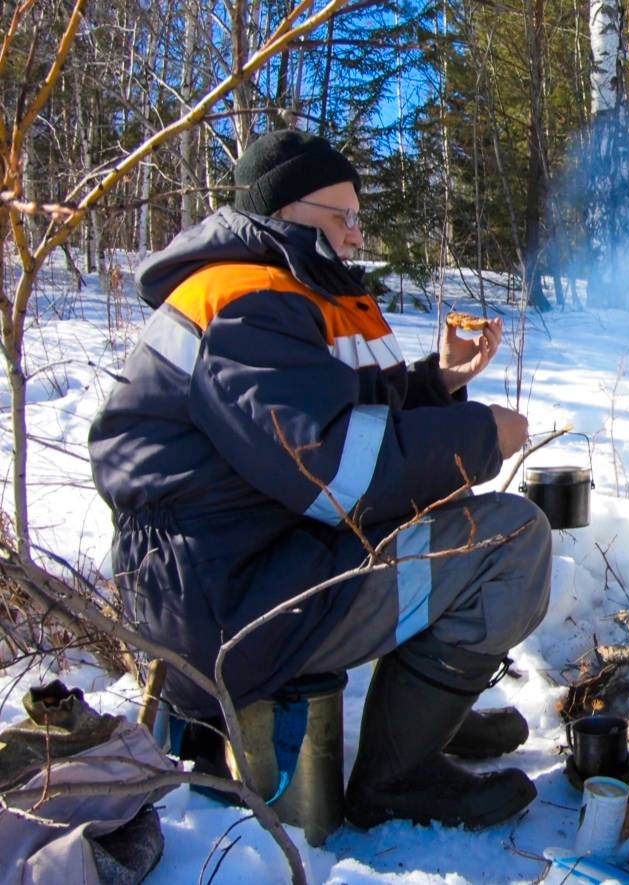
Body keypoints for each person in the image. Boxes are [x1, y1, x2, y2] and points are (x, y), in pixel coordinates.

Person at [89, 130, 552, 831]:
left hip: (244, 563)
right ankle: (399, 777)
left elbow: (335, 412)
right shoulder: (247, 307)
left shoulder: (271, 290)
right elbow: (339, 471)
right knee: (510, 540)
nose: (356, 233)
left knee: (435, 504)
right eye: (343, 216)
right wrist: (482, 434)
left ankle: (425, 715)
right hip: (226, 602)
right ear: (288, 213)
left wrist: (439, 382)